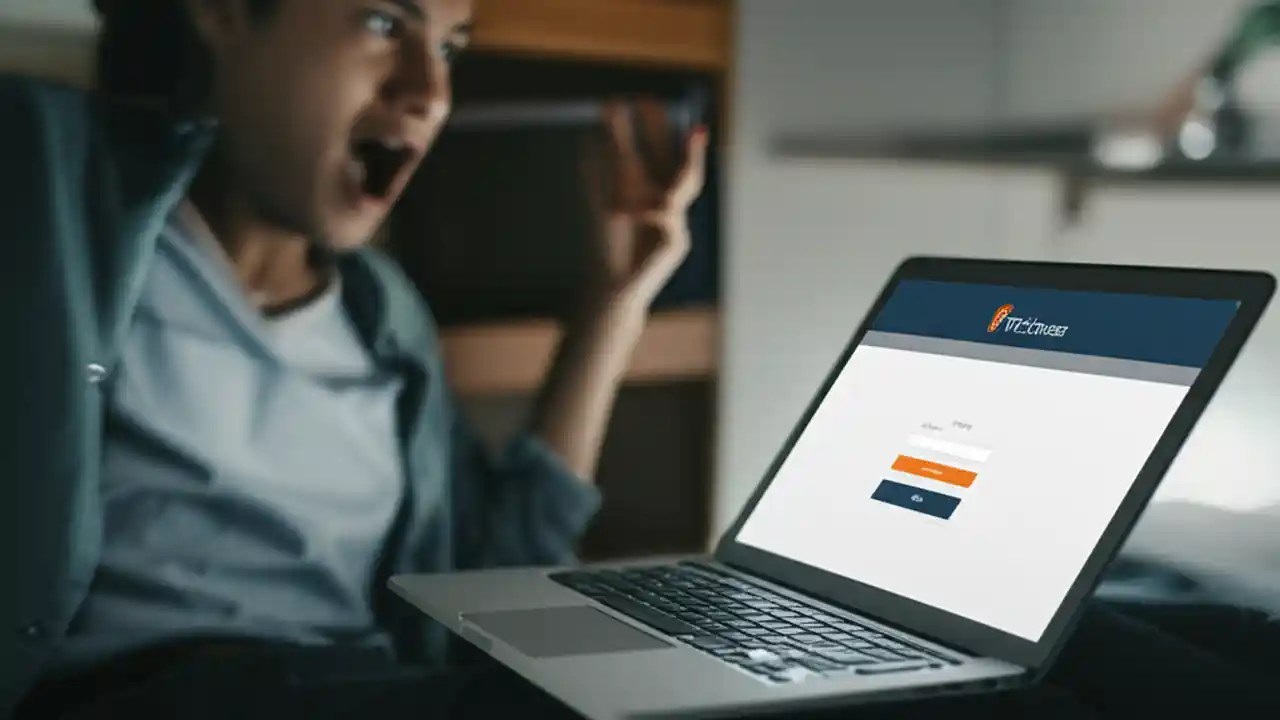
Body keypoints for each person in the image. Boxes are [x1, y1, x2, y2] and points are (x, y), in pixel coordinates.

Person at [2, 1, 1277, 719]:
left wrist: (620, 288)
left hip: (380, 681)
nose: (426, 89)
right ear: (226, 12)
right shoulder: (44, 200)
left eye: (445, 42)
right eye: (383, 21)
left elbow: (487, 562)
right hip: (179, 700)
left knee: (1082, 634)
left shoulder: (380, 313)